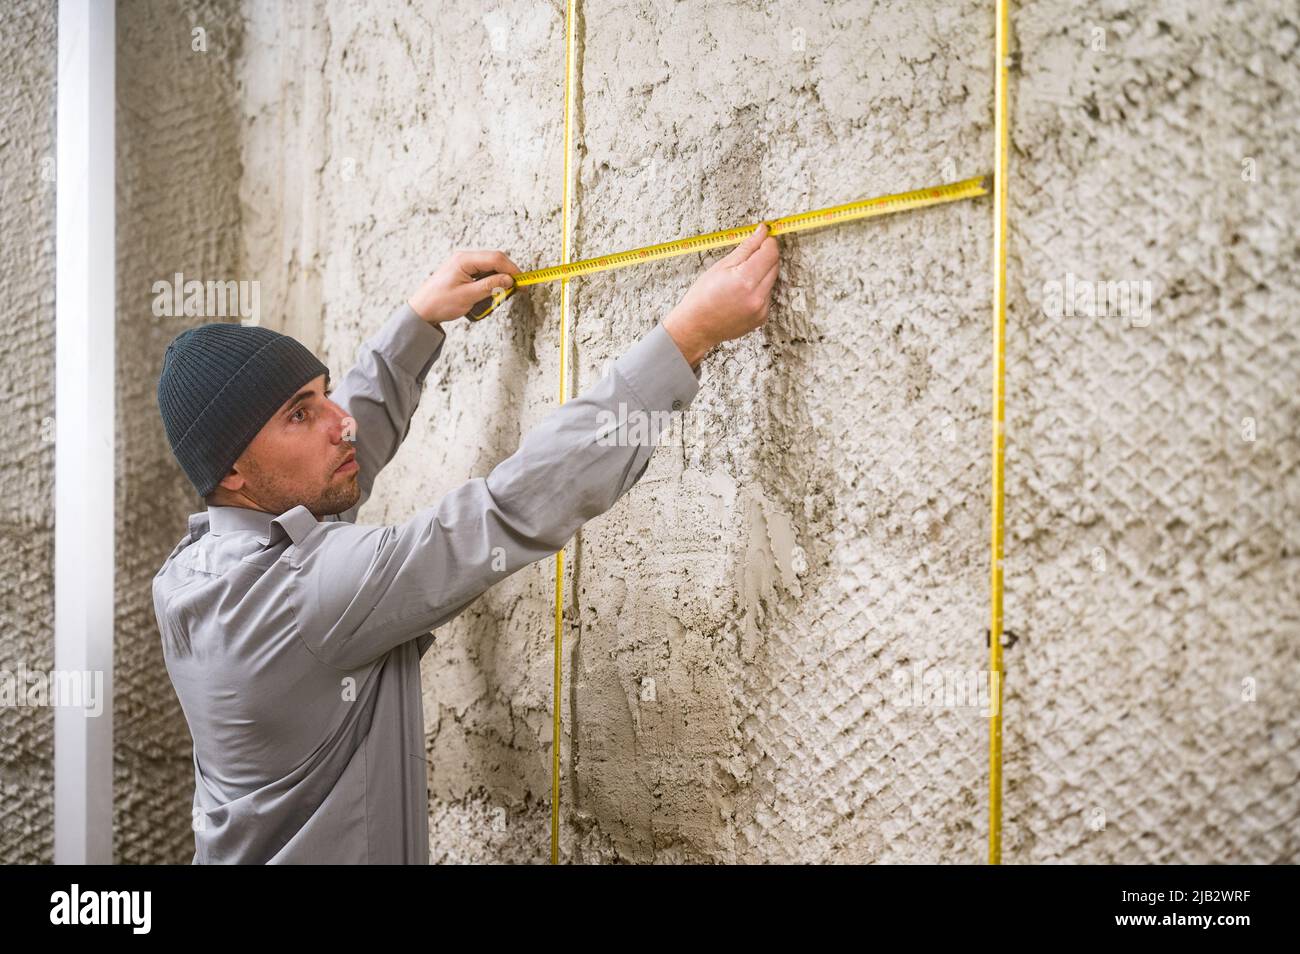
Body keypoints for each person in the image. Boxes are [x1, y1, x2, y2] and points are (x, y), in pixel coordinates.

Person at [152, 223, 779, 863]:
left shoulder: (191, 570)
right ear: (232, 471)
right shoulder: (304, 593)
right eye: (300, 413)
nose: (340, 424)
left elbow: (328, 461)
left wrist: (418, 322)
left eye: (324, 394)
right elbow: (502, 510)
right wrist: (683, 342)